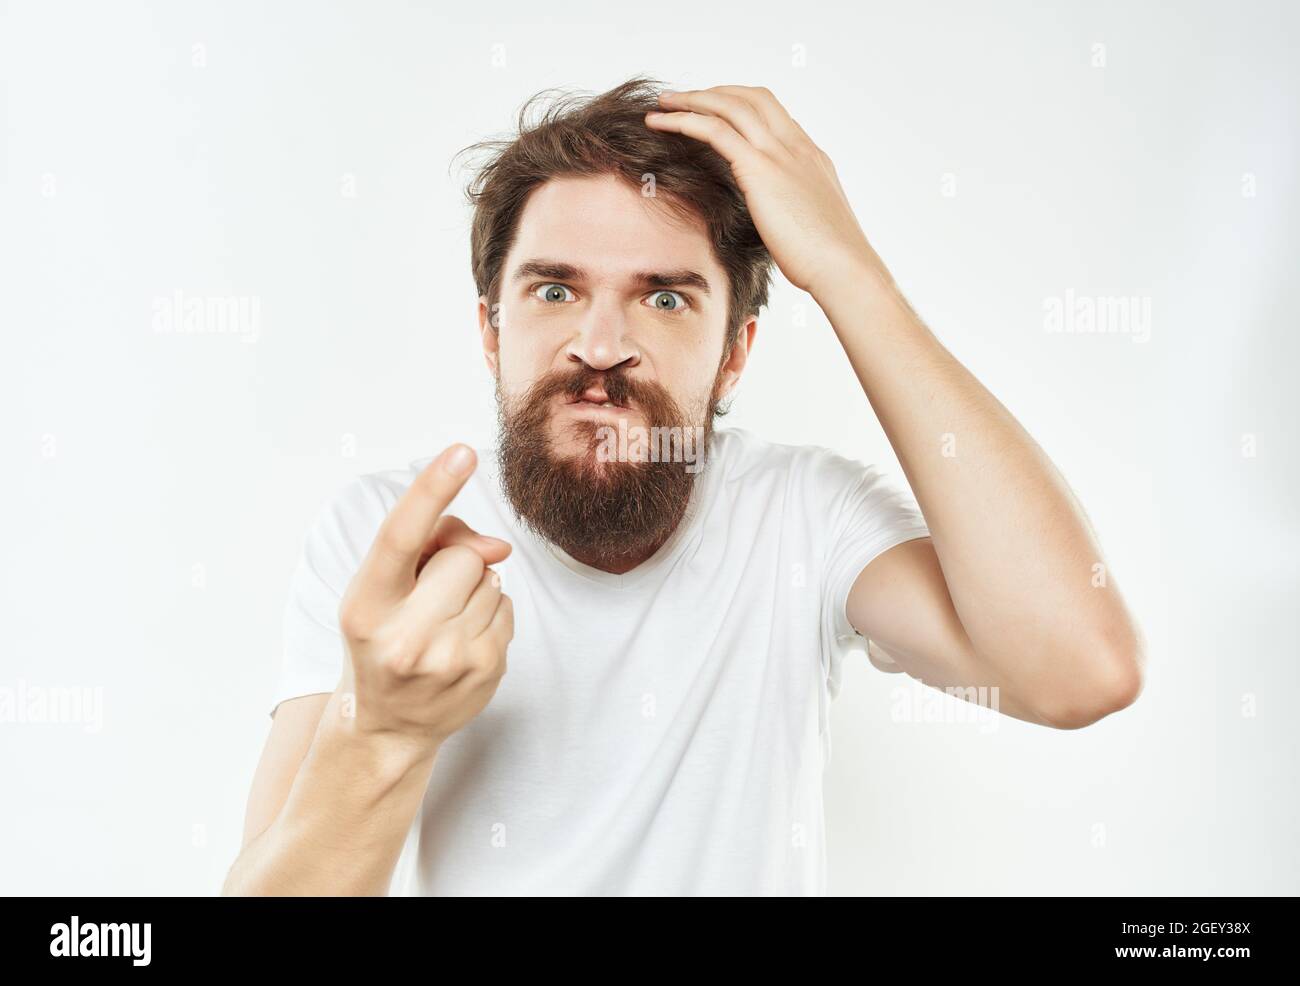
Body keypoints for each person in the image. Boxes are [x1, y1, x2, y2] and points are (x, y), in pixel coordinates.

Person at [221, 77, 1145, 896]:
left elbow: (1081, 672)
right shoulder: (387, 539)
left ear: (737, 352)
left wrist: (847, 271)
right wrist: (382, 732)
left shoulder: (805, 520)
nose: (599, 344)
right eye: (554, 291)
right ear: (491, 329)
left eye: (665, 297)